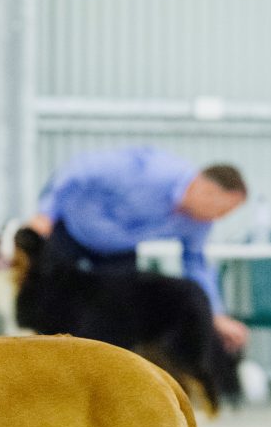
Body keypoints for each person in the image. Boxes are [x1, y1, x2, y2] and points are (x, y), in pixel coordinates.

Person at [28, 146, 249, 352]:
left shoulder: (199, 223)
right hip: (70, 231)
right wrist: (45, 213)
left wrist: (216, 315)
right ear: (207, 190)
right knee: (52, 303)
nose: (219, 218)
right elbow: (77, 171)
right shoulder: (150, 171)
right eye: (222, 211)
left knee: (119, 317)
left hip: (118, 252)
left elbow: (196, 265)